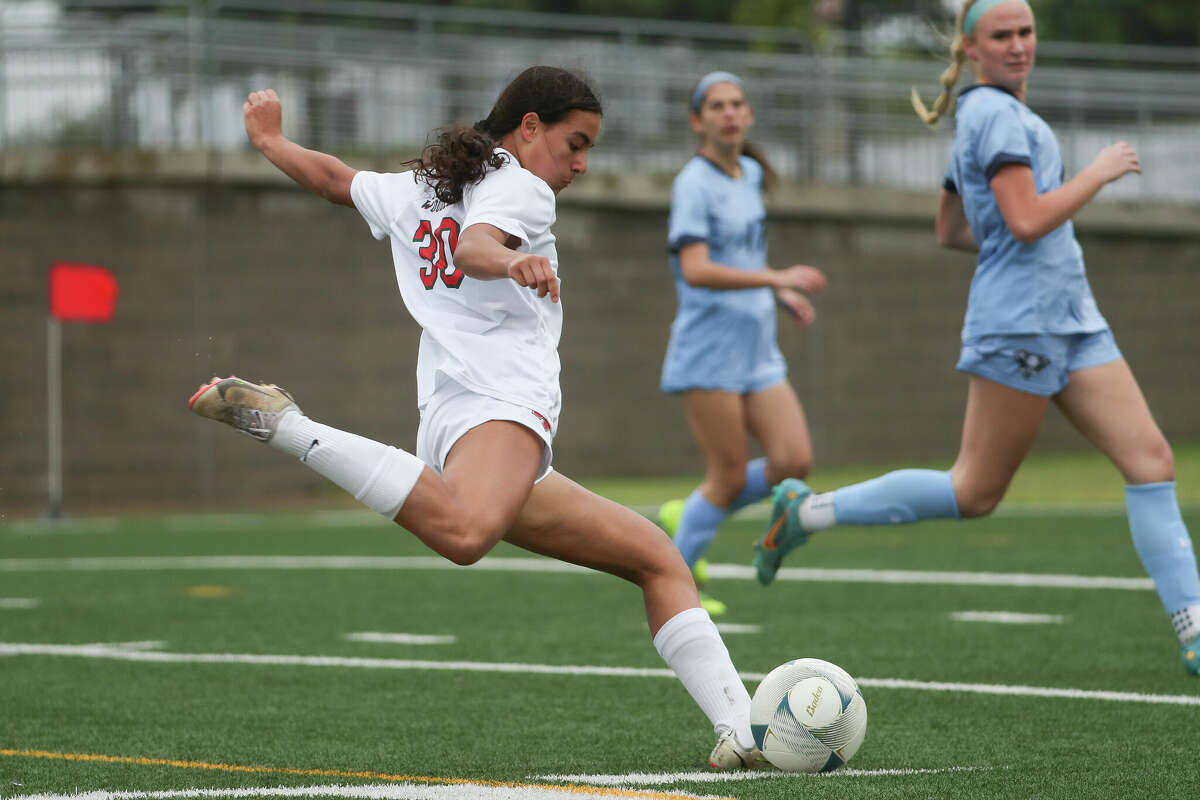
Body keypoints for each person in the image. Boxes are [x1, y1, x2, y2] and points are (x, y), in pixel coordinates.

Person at [189, 67, 773, 768]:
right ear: (529, 126)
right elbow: (473, 246)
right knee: (466, 534)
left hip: (456, 417)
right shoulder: (520, 185)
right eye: (575, 143)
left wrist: (270, 140)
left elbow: (335, 180)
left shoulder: (423, 188)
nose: (581, 164)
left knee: (657, 558)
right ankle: (285, 424)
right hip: (499, 407)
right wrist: (510, 263)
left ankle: (741, 729)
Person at [753, 0, 1200, 676]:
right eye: (1002, 35)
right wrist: (1097, 173)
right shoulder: (992, 113)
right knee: (974, 492)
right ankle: (807, 513)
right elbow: (1023, 220)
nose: (1018, 44)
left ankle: (1194, 628)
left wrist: (1010, 239)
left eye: (1025, 31)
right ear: (971, 46)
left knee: (1151, 462)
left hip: (1073, 318)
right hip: (1021, 322)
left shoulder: (997, 114)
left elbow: (952, 227)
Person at [656, 71, 826, 617]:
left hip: (758, 348)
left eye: (737, 103)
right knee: (728, 477)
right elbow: (698, 269)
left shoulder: (750, 172)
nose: (729, 113)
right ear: (697, 120)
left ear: (748, 115)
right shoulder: (693, 183)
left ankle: (693, 510)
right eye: (717, 105)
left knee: (793, 459)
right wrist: (777, 278)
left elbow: (745, 260)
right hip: (709, 351)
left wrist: (780, 296)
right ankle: (679, 588)